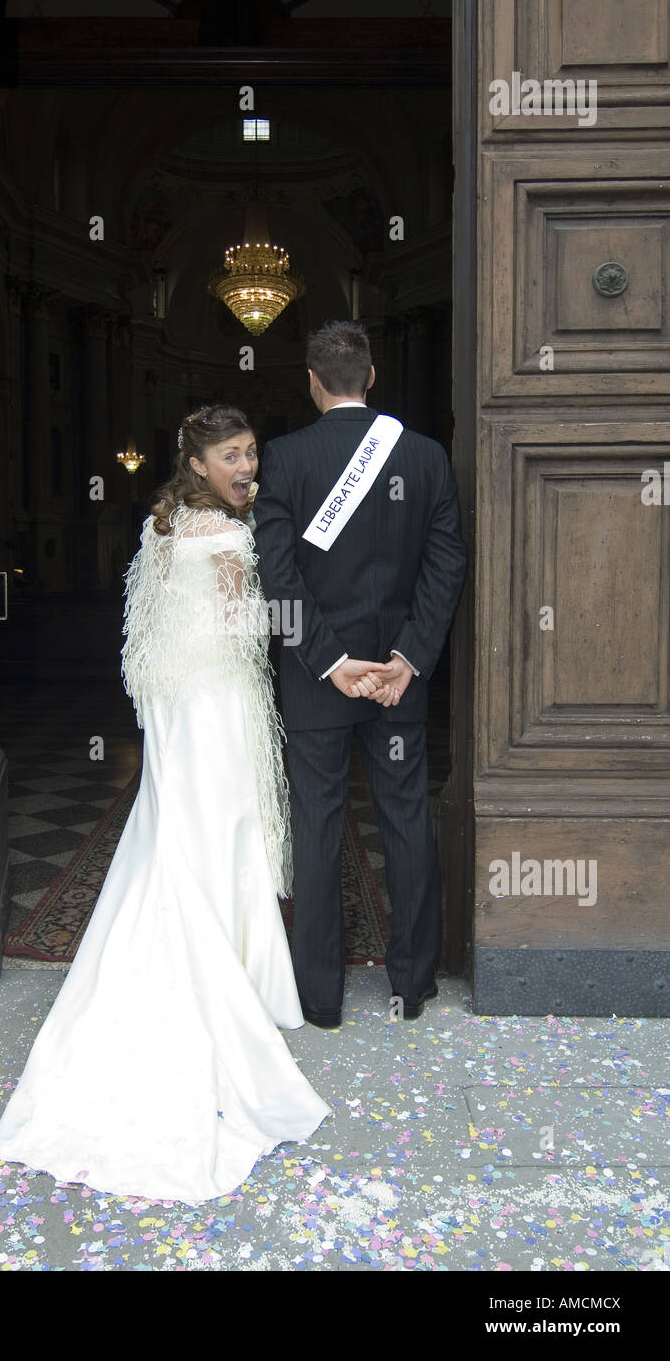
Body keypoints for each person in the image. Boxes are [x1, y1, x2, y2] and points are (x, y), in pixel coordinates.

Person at [0, 405, 330, 1205]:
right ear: (201, 464)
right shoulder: (229, 537)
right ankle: (232, 977)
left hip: (175, 704)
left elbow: (149, 623)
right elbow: (252, 625)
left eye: (251, 454)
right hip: (216, 700)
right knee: (227, 826)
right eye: (233, 456)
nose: (248, 467)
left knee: (181, 827)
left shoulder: (162, 523)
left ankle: (220, 958)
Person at [252, 320, 468, 1029]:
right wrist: (404, 658)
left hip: (319, 681)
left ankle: (320, 1001)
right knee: (405, 819)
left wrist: (331, 662)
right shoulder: (427, 455)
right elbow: (445, 566)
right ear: (371, 376)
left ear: (311, 382)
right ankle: (412, 987)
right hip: (398, 682)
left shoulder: (283, 458)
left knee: (316, 825)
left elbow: (274, 577)